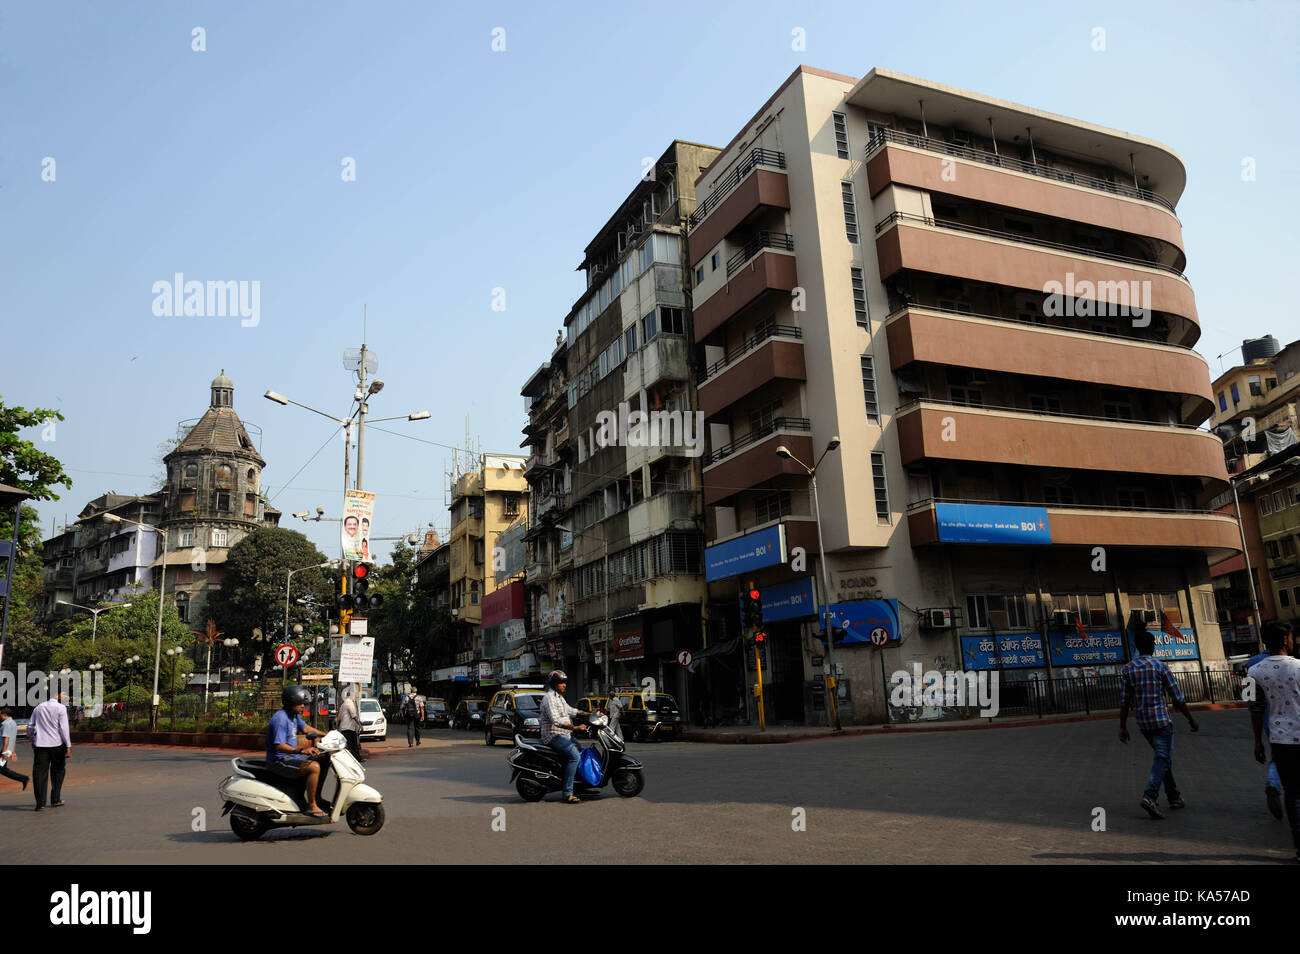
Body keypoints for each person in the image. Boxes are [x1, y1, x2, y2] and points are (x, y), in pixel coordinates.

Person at [1119, 627, 1199, 819]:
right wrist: (1191, 719)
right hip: (1161, 721)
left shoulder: (1128, 669)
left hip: (1143, 722)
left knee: (1163, 758)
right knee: (1163, 758)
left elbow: (1125, 701)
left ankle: (1174, 797)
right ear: (1152, 646)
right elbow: (1177, 697)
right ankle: (1150, 796)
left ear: (1136, 647)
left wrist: (1122, 726)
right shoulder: (1160, 667)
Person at [1248, 621, 1300, 860]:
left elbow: (1254, 709)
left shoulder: (1252, 672)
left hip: (1280, 739)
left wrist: (1258, 741)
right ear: (1285, 640)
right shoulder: (1299, 666)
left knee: (1292, 793)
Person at [266, 685, 328, 816]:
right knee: (314, 767)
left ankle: (317, 798)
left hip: (291, 758)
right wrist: (301, 751)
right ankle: (311, 806)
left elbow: (306, 729)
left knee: (324, 758)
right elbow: (279, 746)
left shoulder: (293, 715)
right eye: (300, 704)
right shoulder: (281, 719)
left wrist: (326, 735)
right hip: (279, 761)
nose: (303, 707)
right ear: (291, 702)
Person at [1245, 642, 1286, 819]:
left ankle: (1273, 782)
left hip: (1269, 722)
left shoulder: (1250, 665)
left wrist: (1257, 740)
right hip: (1294, 722)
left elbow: (1250, 702)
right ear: (1285, 639)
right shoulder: (1294, 663)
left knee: (1277, 756)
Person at [539, 670, 584, 803]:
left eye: (565, 682)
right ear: (554, 684)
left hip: (564, 734)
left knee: (580, 749)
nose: (564, 685)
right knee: (575, 756)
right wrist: (576, 727)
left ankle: (576, 782)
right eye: (561, 682)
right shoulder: (549, 698)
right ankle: (568, 792)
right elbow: (556, 721)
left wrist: (588, 714)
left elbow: (571, 710)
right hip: (553, 735)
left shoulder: (559, 697)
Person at [28, 691, 72, 811]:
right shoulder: (61, 708)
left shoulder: (38, 707)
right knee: (58, 771)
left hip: (40, 745)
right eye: (63, 694)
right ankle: (55, 799)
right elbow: (63, 728)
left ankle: (40, 803)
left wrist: (32, 739)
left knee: (39, 773)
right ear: (56, 695)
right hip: (57, 744)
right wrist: (68, 745)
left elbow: (30, 726)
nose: (64, 696)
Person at [0, 706, 29, 792]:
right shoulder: (13, 723)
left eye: (0, 714)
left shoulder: (6, 724)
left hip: (3, 750)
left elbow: (7, 739)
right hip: (7, 750)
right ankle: (23, 778)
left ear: (4, 714)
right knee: (2, 769)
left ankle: (23, 778)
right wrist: (13, 752)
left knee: (2, 769)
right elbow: (13, 739)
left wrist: (4, 751)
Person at [337, 685, 363, 762]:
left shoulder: (343, 704)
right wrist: (360, 725)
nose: (355, 696)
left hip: (344, 728)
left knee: (348, 745)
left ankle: (355, 758)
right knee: (353, 745)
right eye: (354, 695)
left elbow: (339, 717)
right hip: (349, 728)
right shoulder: (350, 703)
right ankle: (357, 759)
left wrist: (338, 727)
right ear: (351, 695)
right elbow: (354, 715)